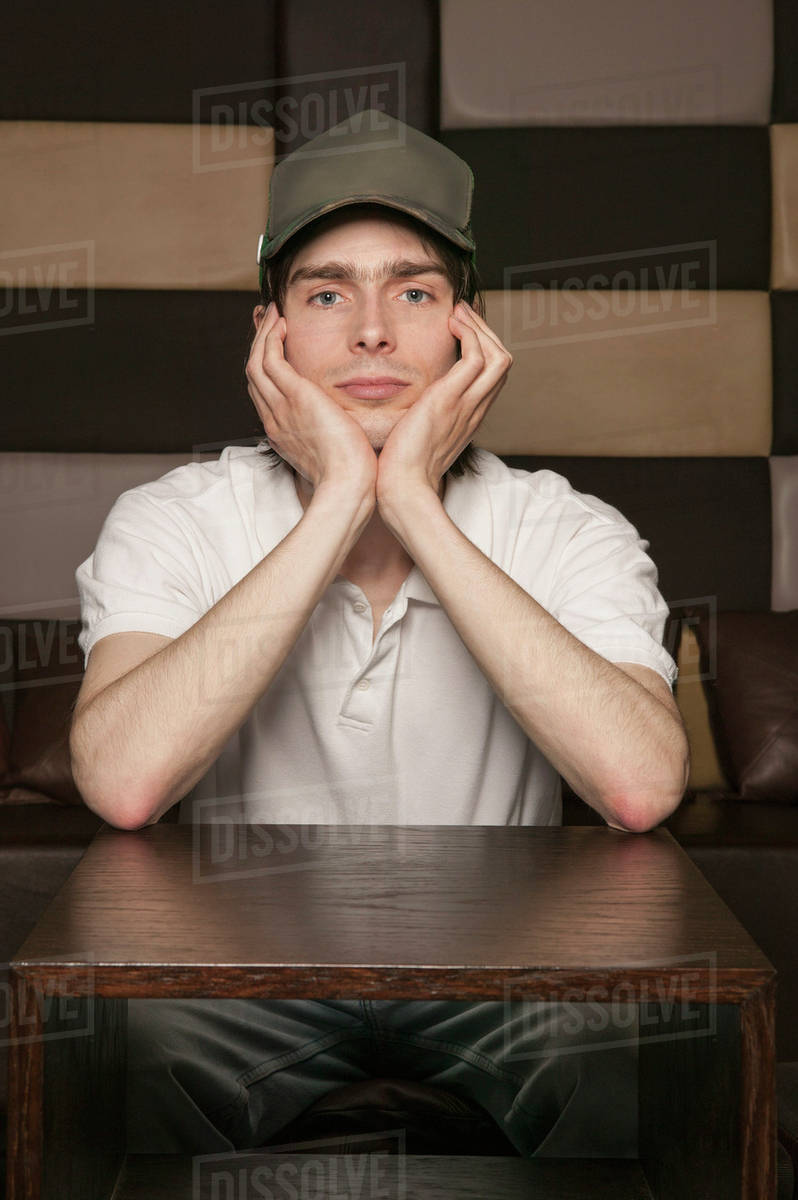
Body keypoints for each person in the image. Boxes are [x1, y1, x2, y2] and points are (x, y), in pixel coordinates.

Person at [70, 109, 689, 1158]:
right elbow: (123, 785)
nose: (371, 330)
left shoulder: (567, 525)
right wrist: (337, 501)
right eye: (325, 293)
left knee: (624, 1058)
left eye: (414, 291)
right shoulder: (174, 516)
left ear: (469, 331)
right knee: (129, 1056)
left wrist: (411, 499)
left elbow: (640, 789)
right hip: (240, 969)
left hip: (504, 967)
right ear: (270, 333)